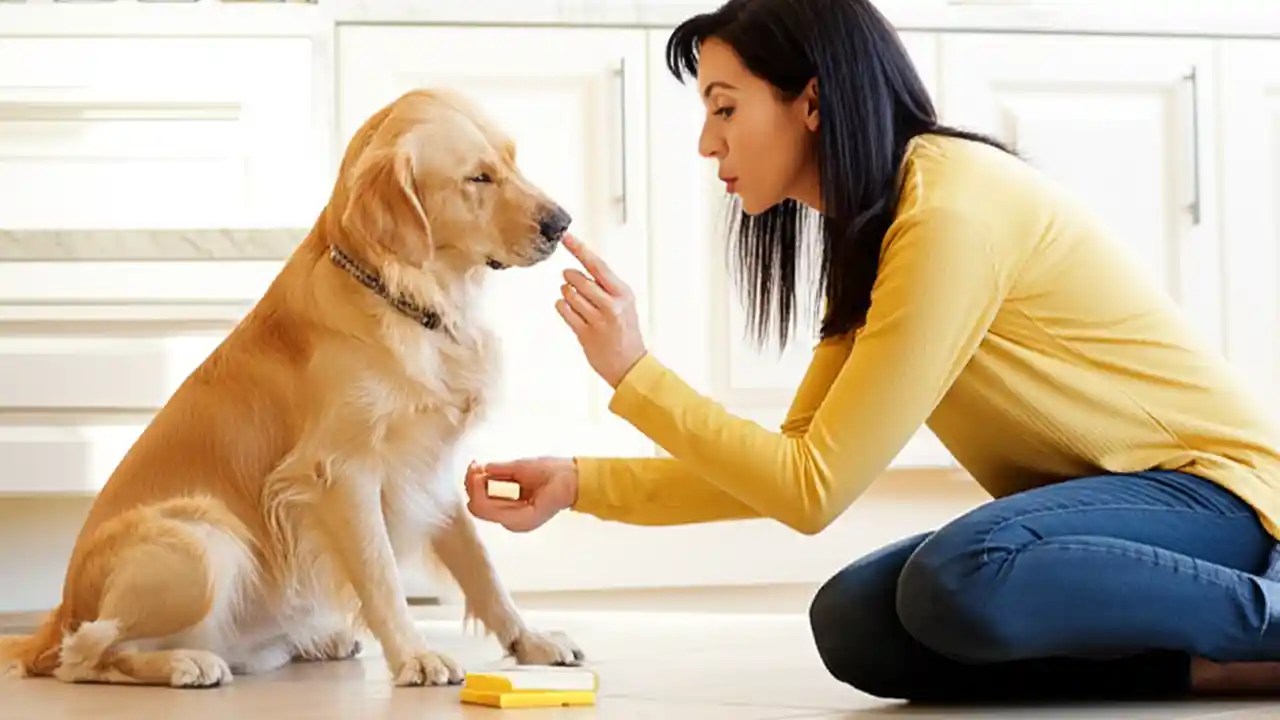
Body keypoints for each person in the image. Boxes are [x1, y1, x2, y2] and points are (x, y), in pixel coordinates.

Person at [465, 0, 1280, 703]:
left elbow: (810, 492)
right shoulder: (879, 231)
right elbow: (796, 464)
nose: (706, 145)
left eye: (723, 107)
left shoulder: (949, 212)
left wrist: (633, 373)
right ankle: (1210, 668)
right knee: (855, 624)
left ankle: (1265, 622)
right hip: (1107, 518)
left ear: (809, 102)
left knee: (961, 573)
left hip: (1222, 501)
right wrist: (580, 484)